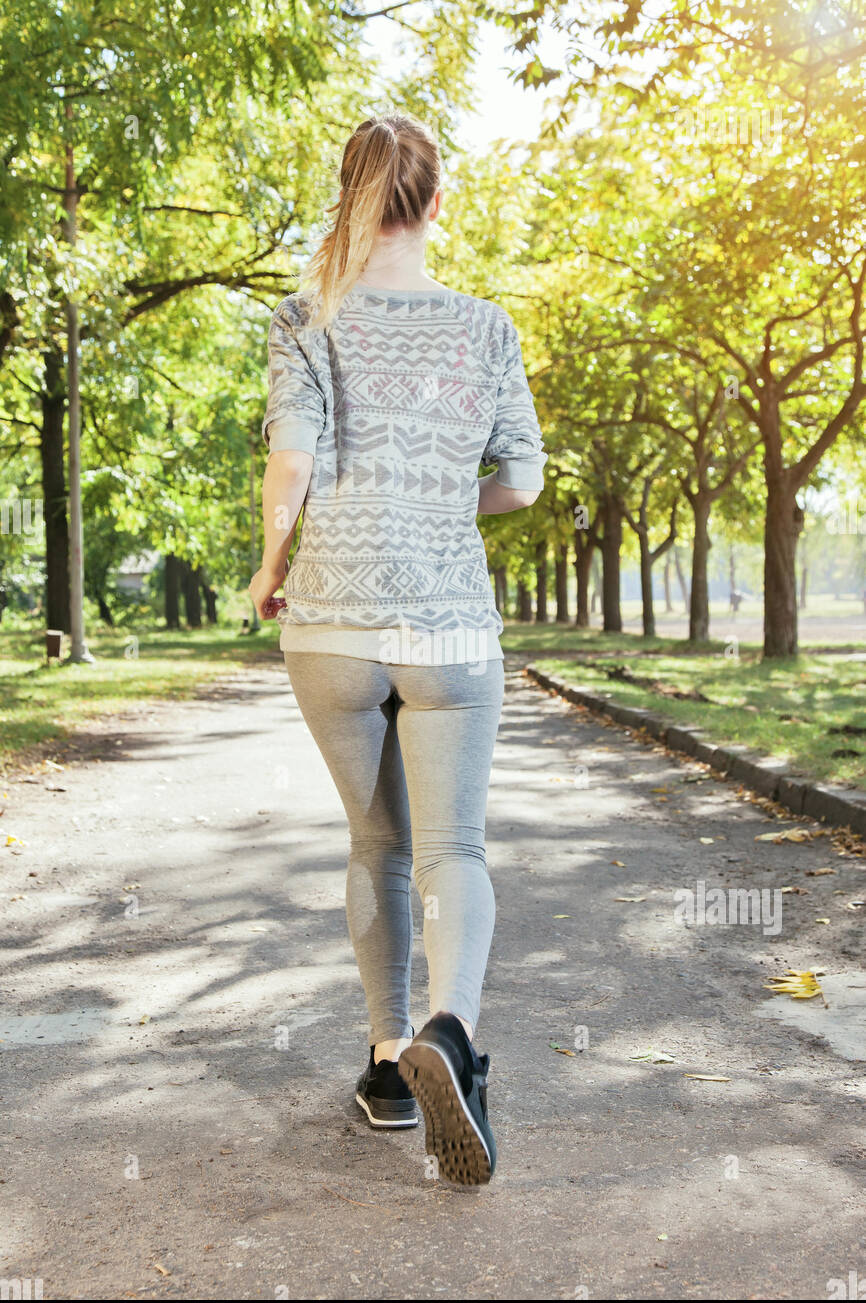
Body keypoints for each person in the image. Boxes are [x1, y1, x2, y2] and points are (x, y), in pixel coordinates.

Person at [249, 110, 546, 1185]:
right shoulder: (485, 327)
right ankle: (451, 1038)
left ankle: (386, 1064)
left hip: (330, 622)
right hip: (449, 623)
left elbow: (291, 462)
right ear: (435, 200)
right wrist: (441, 498)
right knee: (450, 849)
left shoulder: (302, 317)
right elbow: (522, 479)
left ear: (349, 193)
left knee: (372, 842)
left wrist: (271, 566)